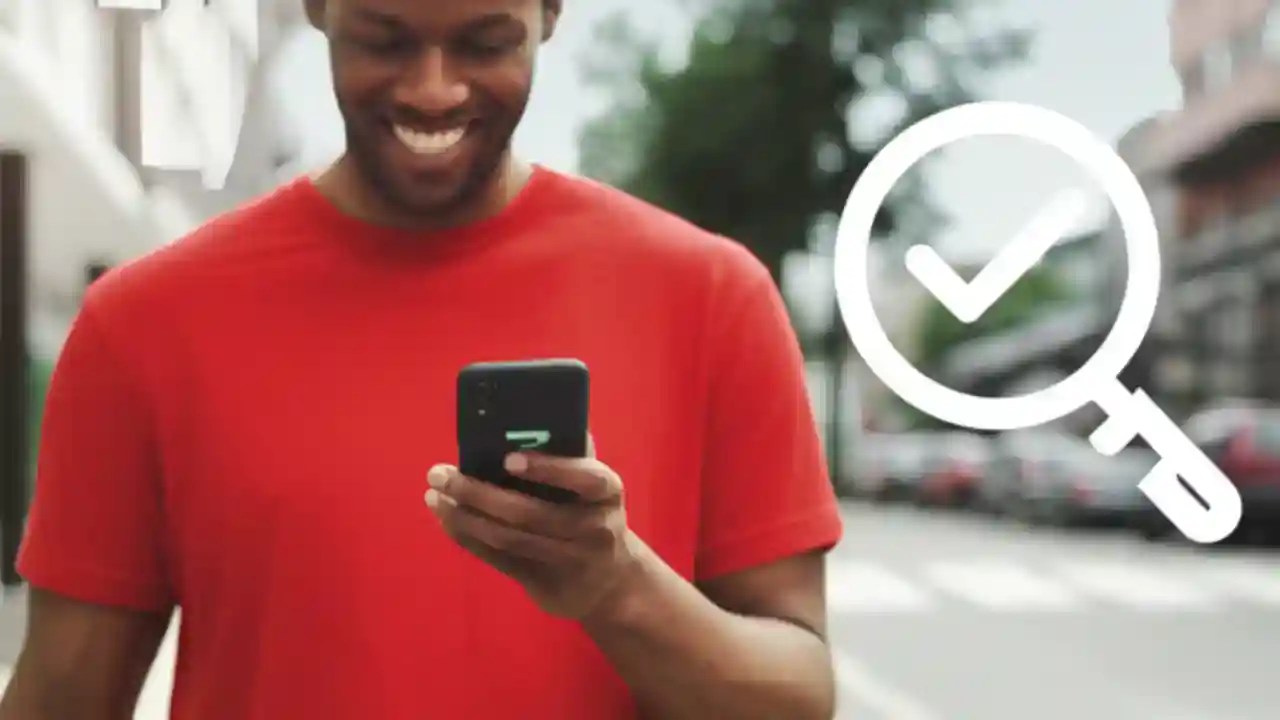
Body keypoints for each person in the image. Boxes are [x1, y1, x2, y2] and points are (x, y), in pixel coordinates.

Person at [0, 0, 844, 718]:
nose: (432, 89)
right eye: (384, 38)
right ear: (317, 9)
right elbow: (61, 699)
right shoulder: (144, 325)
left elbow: (797, 697)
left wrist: (616, 586)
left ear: (550, 14)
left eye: (485, 42)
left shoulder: (710, 298)